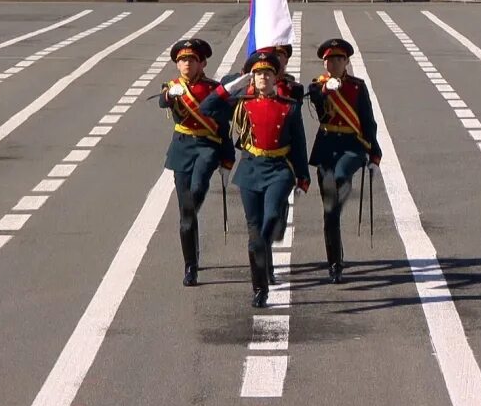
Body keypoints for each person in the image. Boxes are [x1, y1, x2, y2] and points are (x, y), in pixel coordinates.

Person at [201, 51, 310, 308]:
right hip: (251, 169)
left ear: (275, 78)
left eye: (268, 73)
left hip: (279, 169)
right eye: (258, 73)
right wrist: (234, 86)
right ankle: (260, 288)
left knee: (270, 217)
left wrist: (302, 176)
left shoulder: (288, 106)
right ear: (253, 77)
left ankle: (273, 230)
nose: (263, 77)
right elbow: (206, 108)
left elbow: (300, 144)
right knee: (255, 236)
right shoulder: (242, 103)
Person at [158, 38, 234, 287]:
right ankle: (190, 264)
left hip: (206, 147)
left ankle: (193, 215)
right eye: (182, 60)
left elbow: (224, 126)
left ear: (202, 63)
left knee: (197, 190)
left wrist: (227, 159)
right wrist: (170, 94)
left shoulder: (213, 90)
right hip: (181, 149)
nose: (186, 64)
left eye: (191, 59)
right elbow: (163, 100)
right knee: (185, 215)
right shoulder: (172, 87)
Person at [307, 39, 380, 284]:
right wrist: (329, 87)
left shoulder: (358, 87)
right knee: (330, 213)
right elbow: (316, 99)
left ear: (346, 62)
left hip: (351, 147)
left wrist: (375, 156)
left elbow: (368, 121)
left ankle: (344, 183)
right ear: (324, 63)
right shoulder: (317, 85)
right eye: (330, 59)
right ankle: (335, 263)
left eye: (339, 59)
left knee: (340, 176)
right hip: (327, 148)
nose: (334, 63)